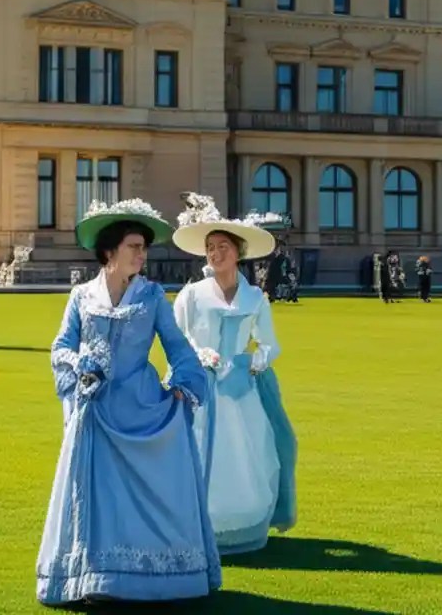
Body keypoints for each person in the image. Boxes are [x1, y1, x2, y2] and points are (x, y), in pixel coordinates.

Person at [37, 199, 221, 605]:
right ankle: (94, 578)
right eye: (134, 246)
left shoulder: (152, 296)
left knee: (148, 497)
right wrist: (78, 362)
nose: (142, 254)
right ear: (110, 251)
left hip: (142, 408)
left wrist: (183, 385)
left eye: (144, 247)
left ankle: (153, 575)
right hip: (97, 410)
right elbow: (61, 346)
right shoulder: (81, 296)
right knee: (98, 496)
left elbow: (178, 346)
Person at [172, 193, 298, 554]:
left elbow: (270, 344)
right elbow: (177, 339)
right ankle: (197, 521)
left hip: (242, 387)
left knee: (249, 454)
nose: (215, 253)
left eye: (222, 246)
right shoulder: (192, 295)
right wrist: (200, 354)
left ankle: (241, 521)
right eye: (210, 247)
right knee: (201, 452)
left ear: (238, 251)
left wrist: (258, 361)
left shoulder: (255, 297)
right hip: (202, 385)